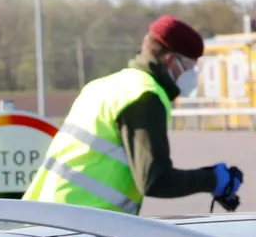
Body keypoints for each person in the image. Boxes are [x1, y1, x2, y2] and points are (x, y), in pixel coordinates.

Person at [24, 15, 242, 214]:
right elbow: (155, 180)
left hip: (50, 217)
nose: (193, 75)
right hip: (82, 226)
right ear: (170, 60)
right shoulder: (145, 97)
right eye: (190, 66)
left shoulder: (103, 86)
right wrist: (212, 180)